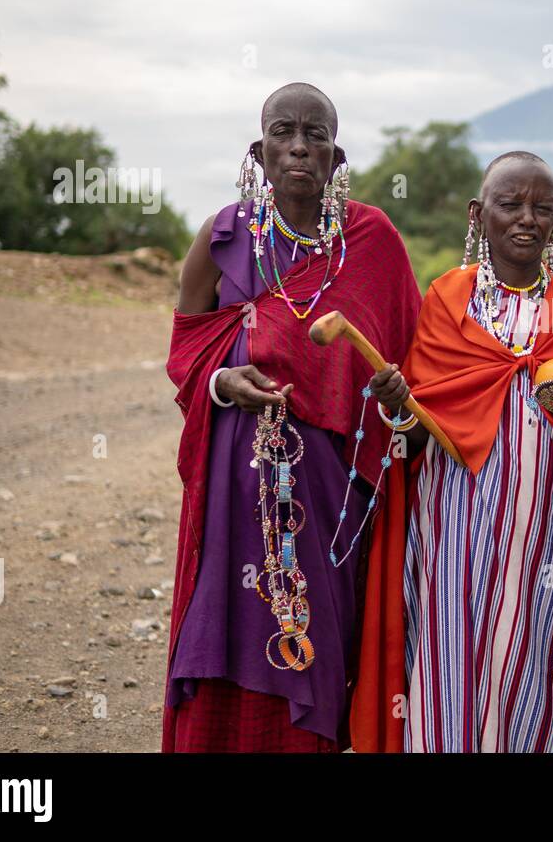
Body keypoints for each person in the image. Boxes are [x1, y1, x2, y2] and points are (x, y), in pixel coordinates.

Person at [162, 83, 420, 752]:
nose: (299, 145)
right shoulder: (224, 235)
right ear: (260, 150)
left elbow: (410, 362)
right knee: (225, 621)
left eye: (315, 135)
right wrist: (222, 382)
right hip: (233, 482)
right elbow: (187, 350)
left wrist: (398, 400)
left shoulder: (372, 242)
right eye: (283, 132)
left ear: (337, 158)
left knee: (315, 632)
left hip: (327, 490)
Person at [351, 151, 553, 752]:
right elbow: (419, 431)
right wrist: (400, 405)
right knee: (449, 649)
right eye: (510, 205)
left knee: (537, 655)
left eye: (542, 209)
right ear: (479, 215)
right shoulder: (448, 298)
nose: (526, 219)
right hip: (453, 519)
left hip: (549, 526)